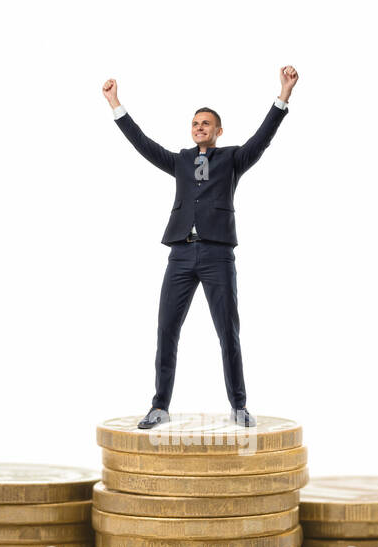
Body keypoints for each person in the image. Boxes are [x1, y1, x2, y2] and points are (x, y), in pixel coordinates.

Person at [102, 66, 299, 429]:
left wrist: (283, 95)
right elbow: (143, 144)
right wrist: (116, 104)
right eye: (195, 124)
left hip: (217, 255)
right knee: (166, 330)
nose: (199, 128)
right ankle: (159, 406)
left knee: (228, 331)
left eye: (206, 124)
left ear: (219, 131)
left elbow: (263, 137)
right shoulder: (180, 161)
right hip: (179, 254)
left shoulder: (233, 159)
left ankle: (239, 406)